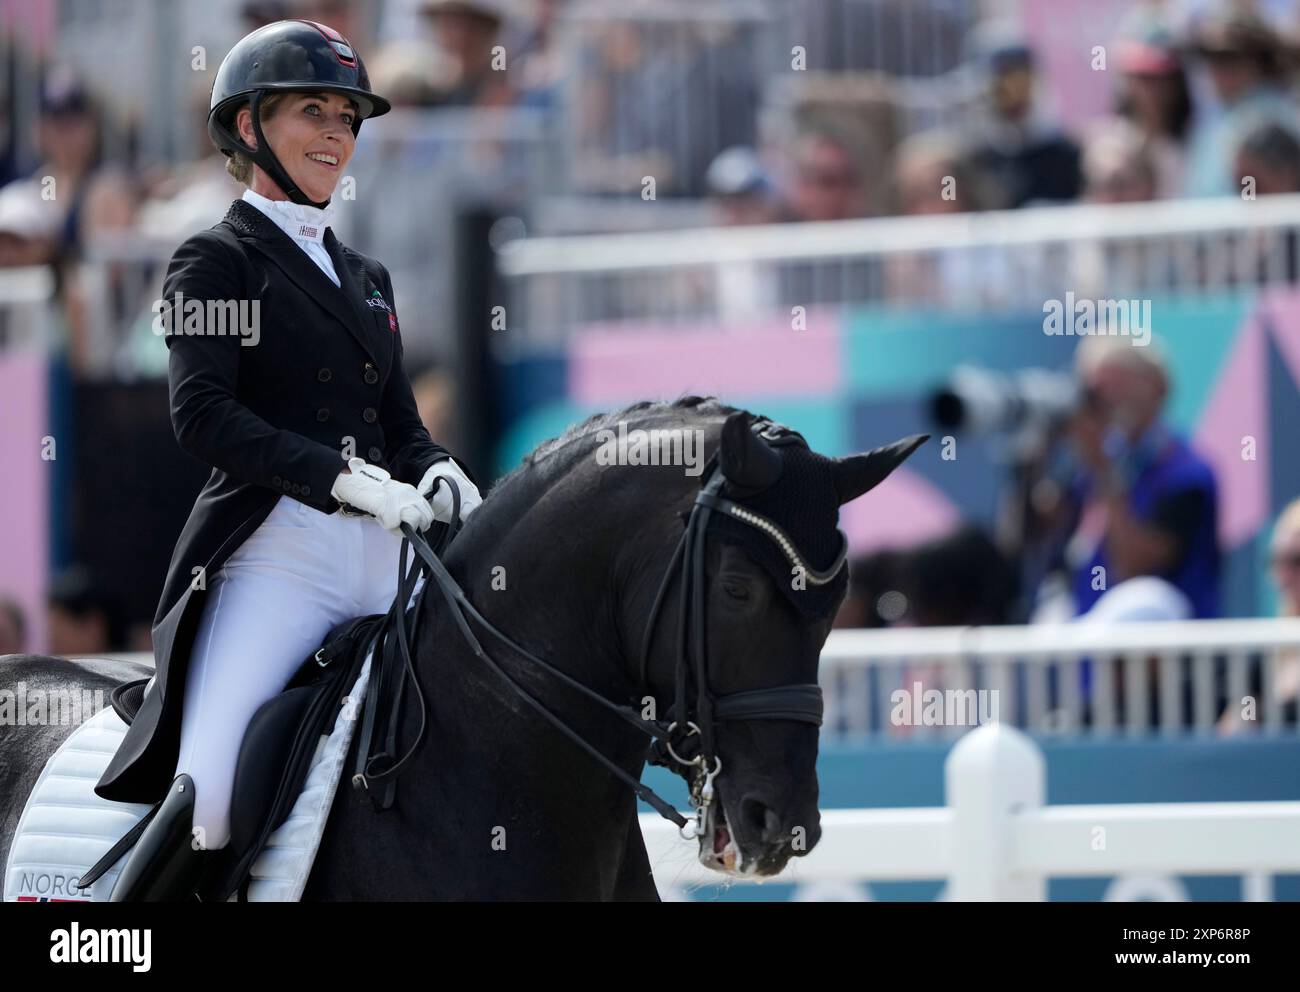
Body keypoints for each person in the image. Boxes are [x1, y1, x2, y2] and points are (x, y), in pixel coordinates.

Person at [92, 19, 483, 902]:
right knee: (211, 797)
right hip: (281, 559)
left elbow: (399, 425)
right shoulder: (211, 261)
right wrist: (336, 477)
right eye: (314, 111)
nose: (338, 134)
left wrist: (436, 468)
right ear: (247, 127)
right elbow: (202, 417)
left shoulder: (369, 276)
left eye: (348, 116)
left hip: (387, 564)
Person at [1062, 336, 1221, 621]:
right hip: (1093, 653)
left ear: (1158, 388)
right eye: (1096, 392)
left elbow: (1133, 566)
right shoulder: (1093, 470)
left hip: (1167, 657)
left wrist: (1104, 471)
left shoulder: (1186, 473)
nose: (1107, 402)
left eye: (1118, 385)